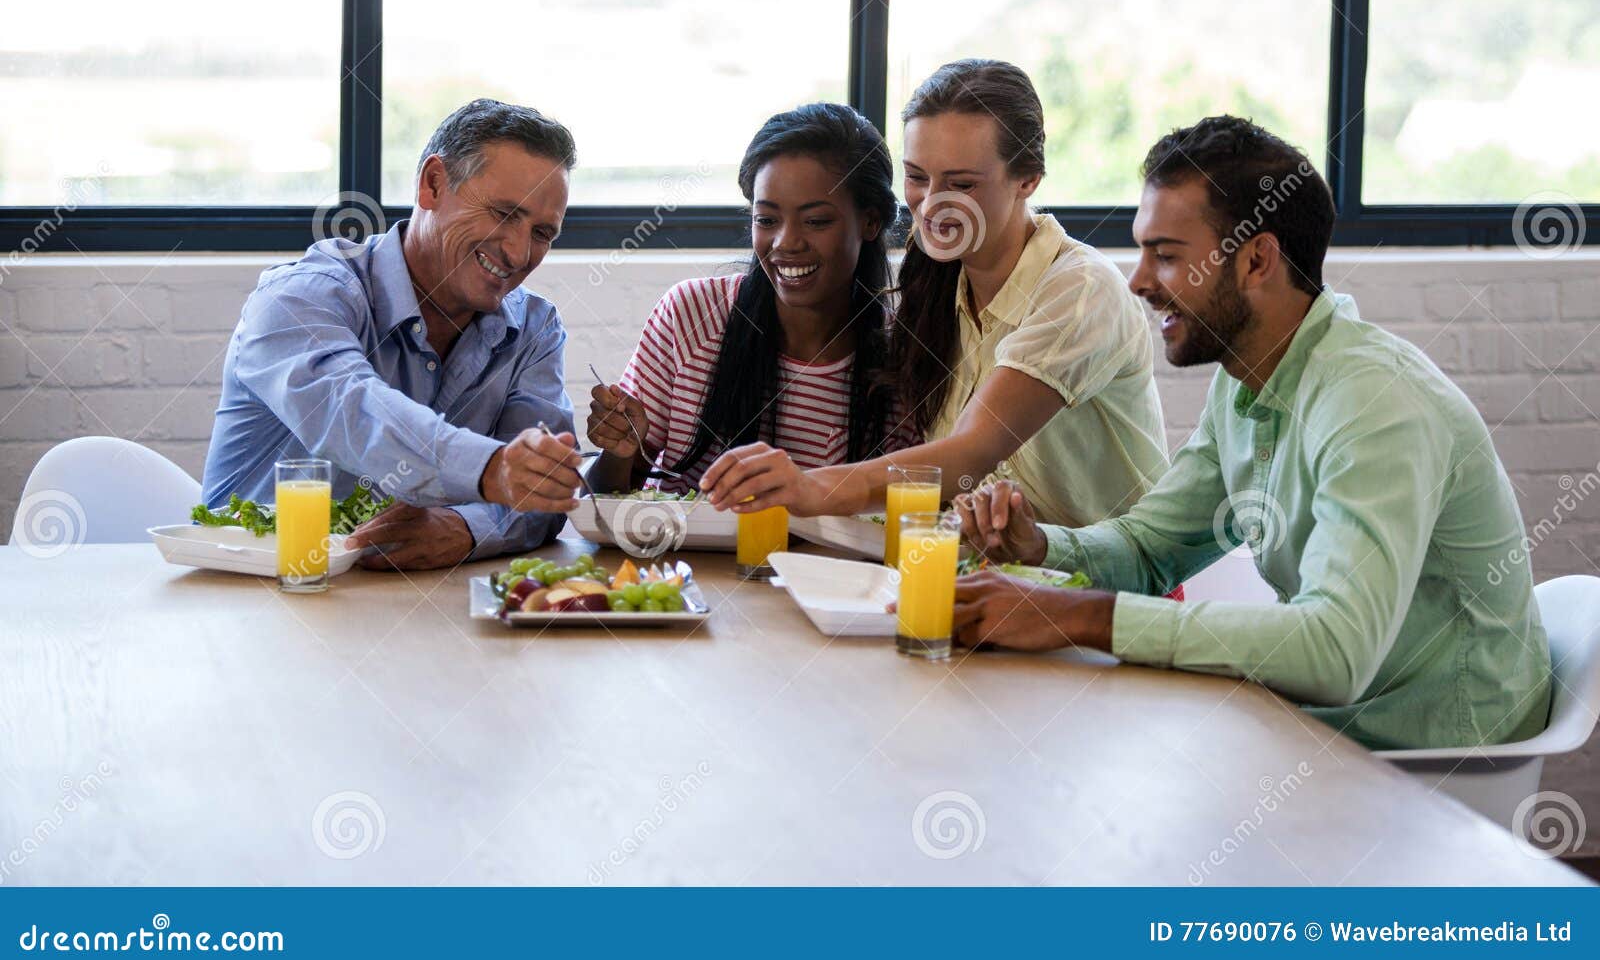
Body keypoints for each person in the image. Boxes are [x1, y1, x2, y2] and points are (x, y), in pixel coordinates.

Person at [953, 115, 1551, 751]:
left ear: (1256, 260)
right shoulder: (1246, 383)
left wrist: (1081, 616)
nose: (1138, 283)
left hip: (1437, 759)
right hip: (1324, 730)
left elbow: (1334, 653)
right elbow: (1153, 550)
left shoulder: (1376, 405)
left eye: (1167, 255)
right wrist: (1040, 547)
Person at [697, 59, 1168, 526]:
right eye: (918, 177)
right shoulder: (936, 291)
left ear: (1027, 179)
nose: (933, 203)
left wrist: (810, 486)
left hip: (1101, 588)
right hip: (996, 579)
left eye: (961, 183)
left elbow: (969, 454)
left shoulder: (1080, 288)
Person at [200, 98, 585, 569]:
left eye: (543, 233)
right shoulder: (300, 297)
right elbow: (350, 411)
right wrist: (491, 469)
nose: (519, 251)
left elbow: (542, 499)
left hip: (405, 610)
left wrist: (465, 528)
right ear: (433, 184)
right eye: (504, 214)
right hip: (250, 600)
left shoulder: (534, 330)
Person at [586, 103, 913, 492]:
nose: (785, 243)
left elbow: (905, 512)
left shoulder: (904, 355)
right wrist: (618, 451)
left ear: (871, 221)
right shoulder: (692, 315)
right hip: (683, 555)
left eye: (816, 221)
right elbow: (603, 499)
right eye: (767, 220)